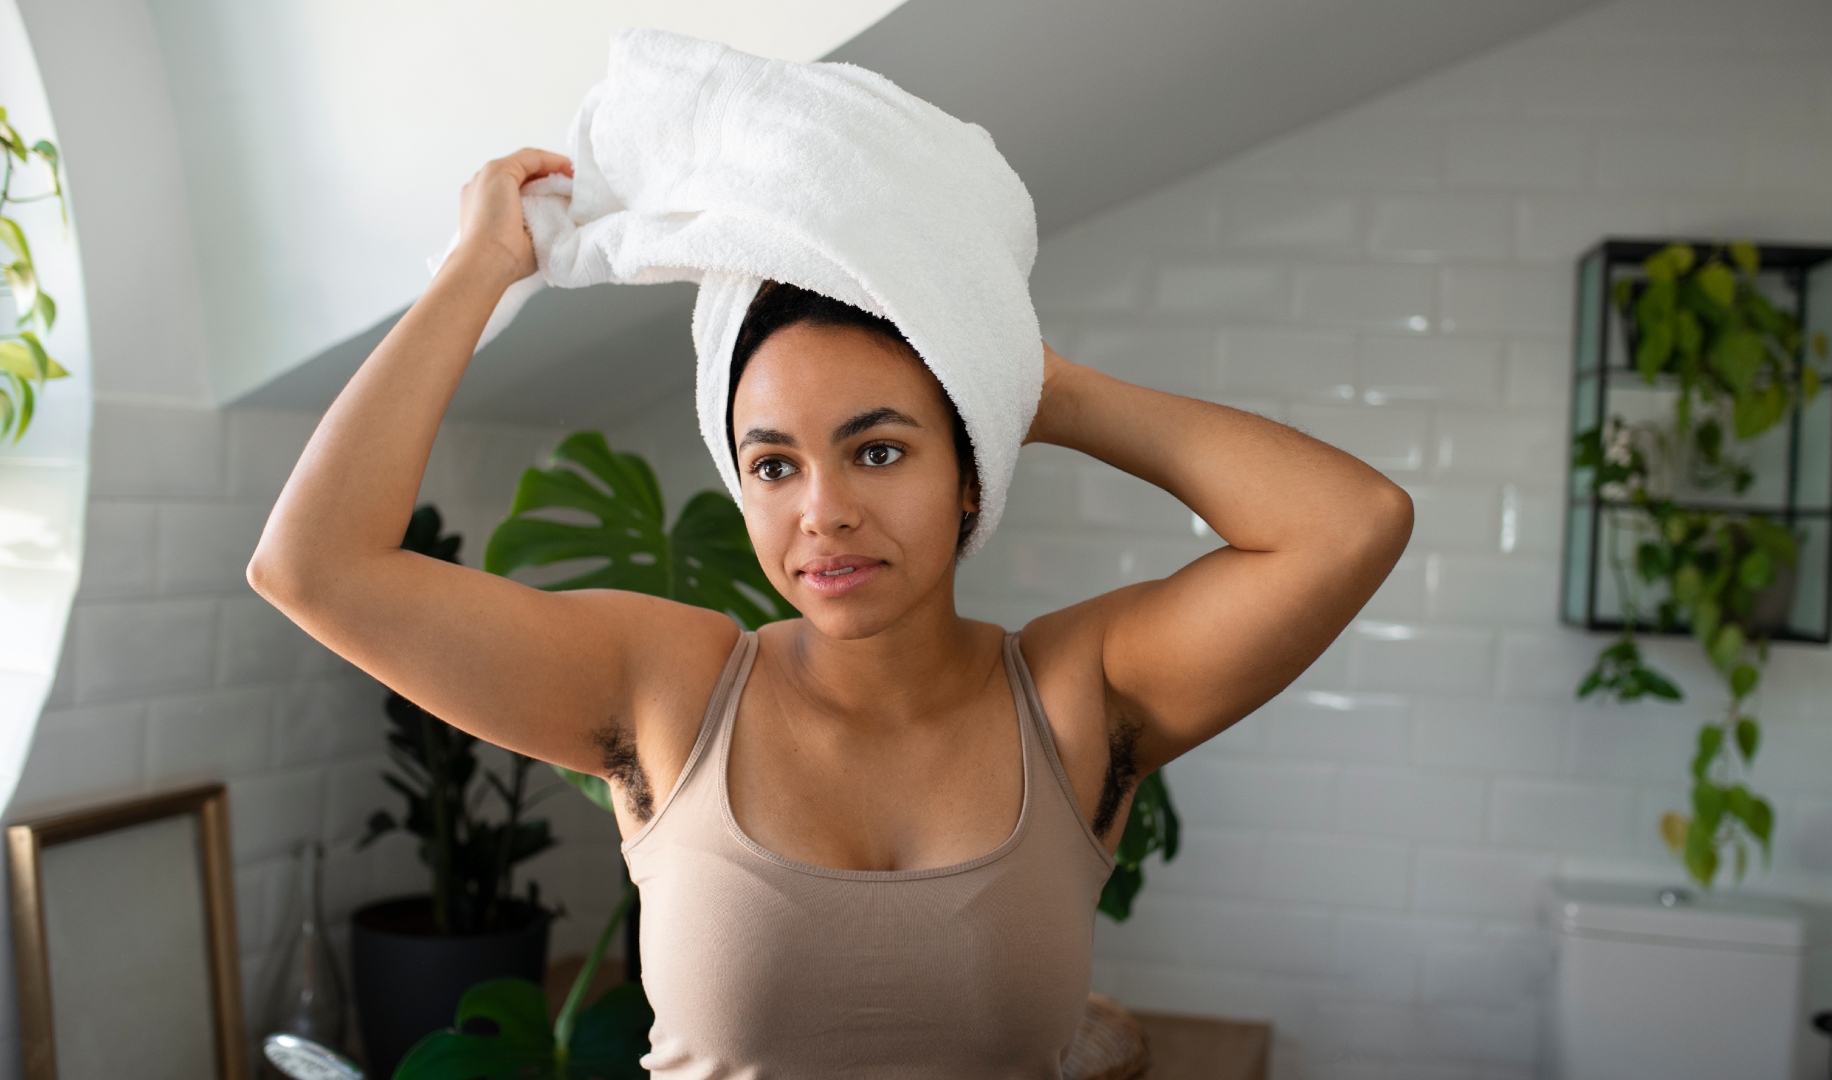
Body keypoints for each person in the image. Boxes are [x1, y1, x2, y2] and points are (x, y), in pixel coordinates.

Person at [249, 148, 1413, 1076]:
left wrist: (1039, 385)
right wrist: (478, 268)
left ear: (970, 475)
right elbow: (314, 566)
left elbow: (1351, 522)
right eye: (775, 465)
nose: (826, 512)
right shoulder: (670, 688)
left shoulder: (1077, 696)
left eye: (879, 448)